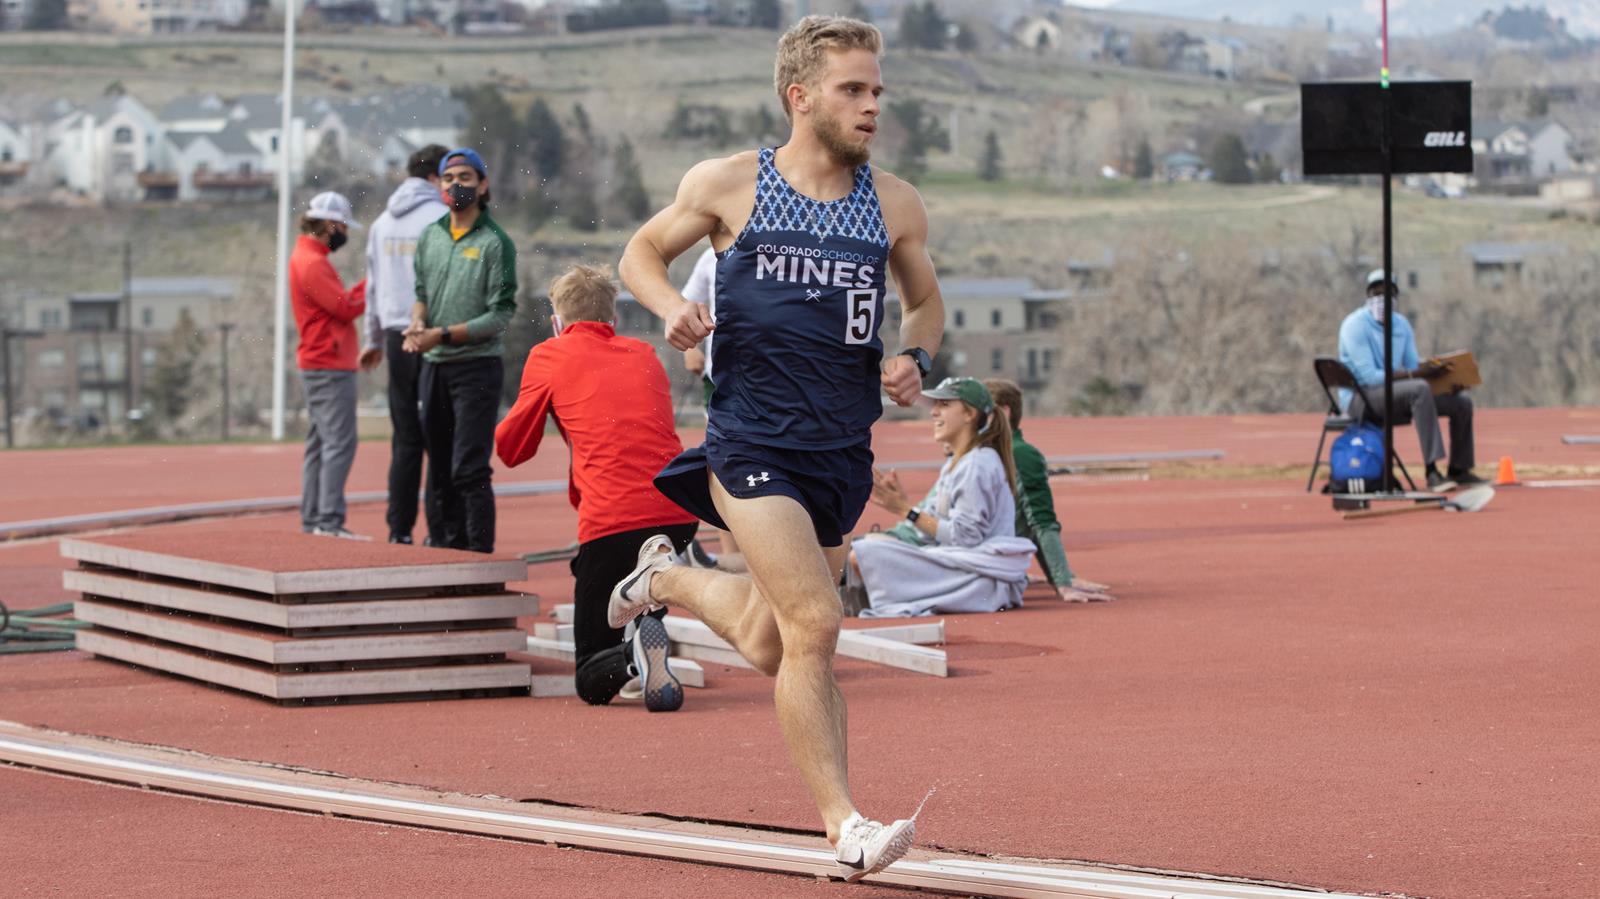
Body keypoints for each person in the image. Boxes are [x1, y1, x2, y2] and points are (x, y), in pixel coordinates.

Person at [609, 16, 944, 881]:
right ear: (801, 97)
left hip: (840, 453)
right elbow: (640, 252)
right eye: (854, 90)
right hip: (751, 440)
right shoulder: (730, 185)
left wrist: (916, 355)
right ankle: (846, 824)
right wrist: (667, 308)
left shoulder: (895, 202)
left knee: (769, 642)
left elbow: (927, 302)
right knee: (817, 623)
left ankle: (665, 577)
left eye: (878, 90)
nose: (873, 105)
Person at [495, 265, 699, 710]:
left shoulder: (550, 354)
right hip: (679, 511)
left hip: (613, 518)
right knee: (637, 567)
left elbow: (512, 449)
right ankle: (649, 632)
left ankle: (630, 657)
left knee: (590, 677)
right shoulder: (644, 353)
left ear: (557, 321)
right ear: (614, 319)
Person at [404, 148, 517, 553]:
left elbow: (500, 315)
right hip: (433, 367)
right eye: (448, 178)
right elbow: (421, 294)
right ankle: (443, 550)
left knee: (467, 468)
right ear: (438, 186)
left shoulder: (495, 243)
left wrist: (444, 334)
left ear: (483, 185)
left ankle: (477, 556)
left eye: (465, 178)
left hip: (477, 368)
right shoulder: (430, 237)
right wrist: (419, 322)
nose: (455, 185)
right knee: (437, 469)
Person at [848, 377, 1036, 617]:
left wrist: (906, 510)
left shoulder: (977, 464)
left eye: (944, 405)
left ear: (970, 414)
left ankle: (857, 595)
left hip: (980, 576)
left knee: (865, 554)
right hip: (960, 565)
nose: (934, 412)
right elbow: (929, 531)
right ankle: (857, 592)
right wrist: (905, 510)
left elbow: (965, 538)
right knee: (867, 545)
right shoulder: (957, 464)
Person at [362, 143, 450, 545]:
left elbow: (373, 285)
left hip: (397, 335)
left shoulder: (382, 223)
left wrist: (373, 337)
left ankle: (398, 529)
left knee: (405, 436)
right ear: (435, 177)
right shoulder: (442, 217)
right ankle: (437, 528)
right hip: (432, 333)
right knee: (438, 434)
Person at [1338, 268, 1480, 492]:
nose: (1382, 299)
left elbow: (1414, 366)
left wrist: (1445, 380)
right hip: (1362, 399)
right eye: (1376, 293)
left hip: (1397, 394)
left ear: (1396, 297)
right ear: (1367, 296)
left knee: (1460, 402)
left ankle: (1459, 468)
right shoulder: (1354, 325)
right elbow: (1369, 378)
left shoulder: (1401, 325)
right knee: (1419, 389)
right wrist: (1416, 376)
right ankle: (1432, 471)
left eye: (1389, 293)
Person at [984, 378, 1113, 603]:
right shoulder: (982, 453)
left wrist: (1061, 579)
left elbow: (1040, 522)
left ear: (1003, 412)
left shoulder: (1020, 455)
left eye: (979, 410)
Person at [289, 191, 367, 539]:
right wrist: (375, 282)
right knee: (339, 442)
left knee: (321, 442)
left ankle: (314, 519)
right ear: (331, 224)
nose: (344, 234)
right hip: (329, 362)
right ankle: (328, 520)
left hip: (319, 360)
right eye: (342, 226)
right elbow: (346, 306)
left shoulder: (307, 257)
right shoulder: (313, 262)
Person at [678, 245, 745, 572]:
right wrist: (690, 347)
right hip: (721, 379)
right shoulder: (712, 256)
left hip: (773, 380)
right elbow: (689, 301)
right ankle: (731, 559)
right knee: (724, 465)